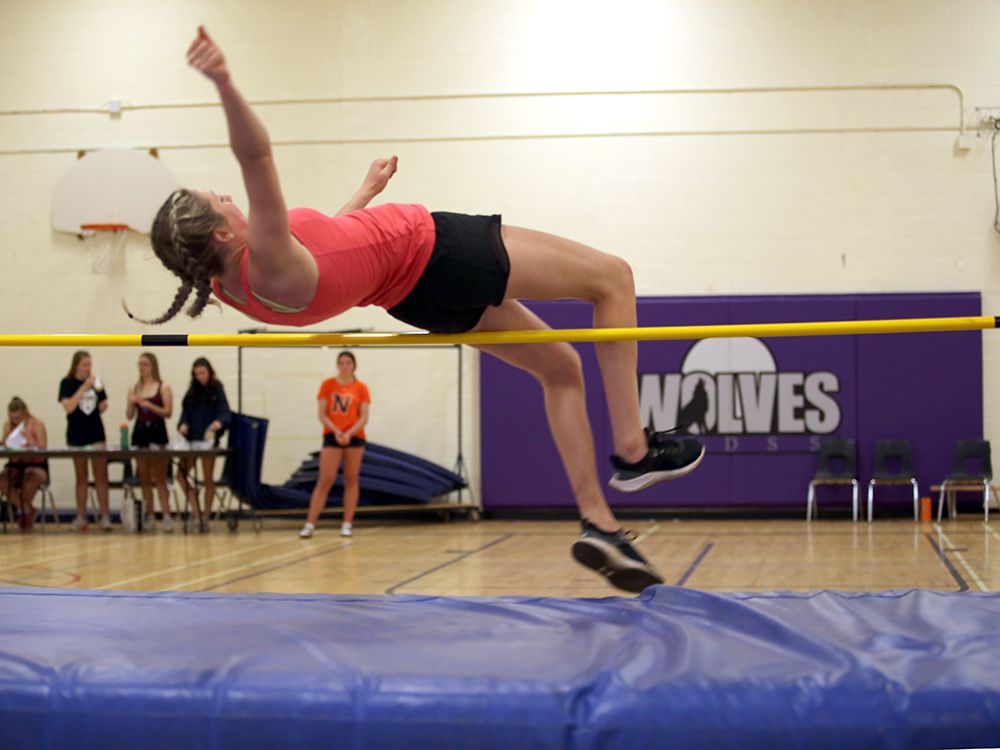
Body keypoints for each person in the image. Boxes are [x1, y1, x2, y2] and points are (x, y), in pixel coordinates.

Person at [140, 27, 705, 592]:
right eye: (220, 199)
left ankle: (598, 523)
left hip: (414, 298)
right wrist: (222, 82)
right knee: (613, 279)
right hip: (438, 252)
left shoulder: (237, 286)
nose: (230, 196)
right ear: (218, 231)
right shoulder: (262, 256)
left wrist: (363, 194)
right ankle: (634, 449)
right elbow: (255, 154)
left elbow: (329, 257)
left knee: (560, 371)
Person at [300, 351, 369, 539]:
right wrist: (337, 431)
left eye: (348, 362)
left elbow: (363, 416)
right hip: (332, 435)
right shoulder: (328, 385)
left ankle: (347, 523)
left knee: (351, 478)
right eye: (341, 362)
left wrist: (349, 433)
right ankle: (310, 524)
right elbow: (322, 414)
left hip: (354, 437)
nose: (345, 366)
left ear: (354, 366)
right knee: (326, 479)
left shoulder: (361, 388)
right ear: (337, 365)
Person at [176, 357, 231, 532]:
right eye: (196, 373)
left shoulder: (216, 389)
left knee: (208, 478)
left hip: (208, 442)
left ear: (209, 372)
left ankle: (206, 515)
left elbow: (224, 412)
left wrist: (219, 423)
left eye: (202, 373)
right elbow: (185, 413)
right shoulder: (191, 392)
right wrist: (183, 424)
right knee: (181, 475)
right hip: (193, 441)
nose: (200, 377)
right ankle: (195, 508)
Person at [58, 351, 112, 531]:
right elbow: (69, 407)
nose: (88, 368)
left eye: (90, 364)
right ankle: (81, 516)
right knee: (81, 477)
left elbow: (102, 403)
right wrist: (83, 388)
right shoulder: (67, 383)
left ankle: (105, 516)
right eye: (84, 364)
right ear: (76, 365)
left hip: (96, 433)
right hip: (76, 434)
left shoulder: (96, 382)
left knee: (101, 476)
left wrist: (103, 405)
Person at [126, 352, 174, 532]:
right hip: (140, 433)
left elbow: (168, 412)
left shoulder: (163, 387)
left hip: (157, 431)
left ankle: (167, 514)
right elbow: (129, 415)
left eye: (145, 364)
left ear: (153, 366)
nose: (141, 368)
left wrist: (148, 405)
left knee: (159, 477)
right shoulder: (134, 388)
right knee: (144, 477)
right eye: (139, 364)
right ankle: (150, 514)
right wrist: (132, 402)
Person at [0, 398, 49, 531]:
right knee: (2, 479)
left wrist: (29, 440)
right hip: (16, 465)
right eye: (13, 418)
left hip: (37, 465)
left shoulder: (37, 424)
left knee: (29, 476)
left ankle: (24, 512)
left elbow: (43, 448)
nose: (16, 421)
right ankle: (26, 510)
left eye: (19, 418)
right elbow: (5, 444)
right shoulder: (8, 426)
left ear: (26, 412)